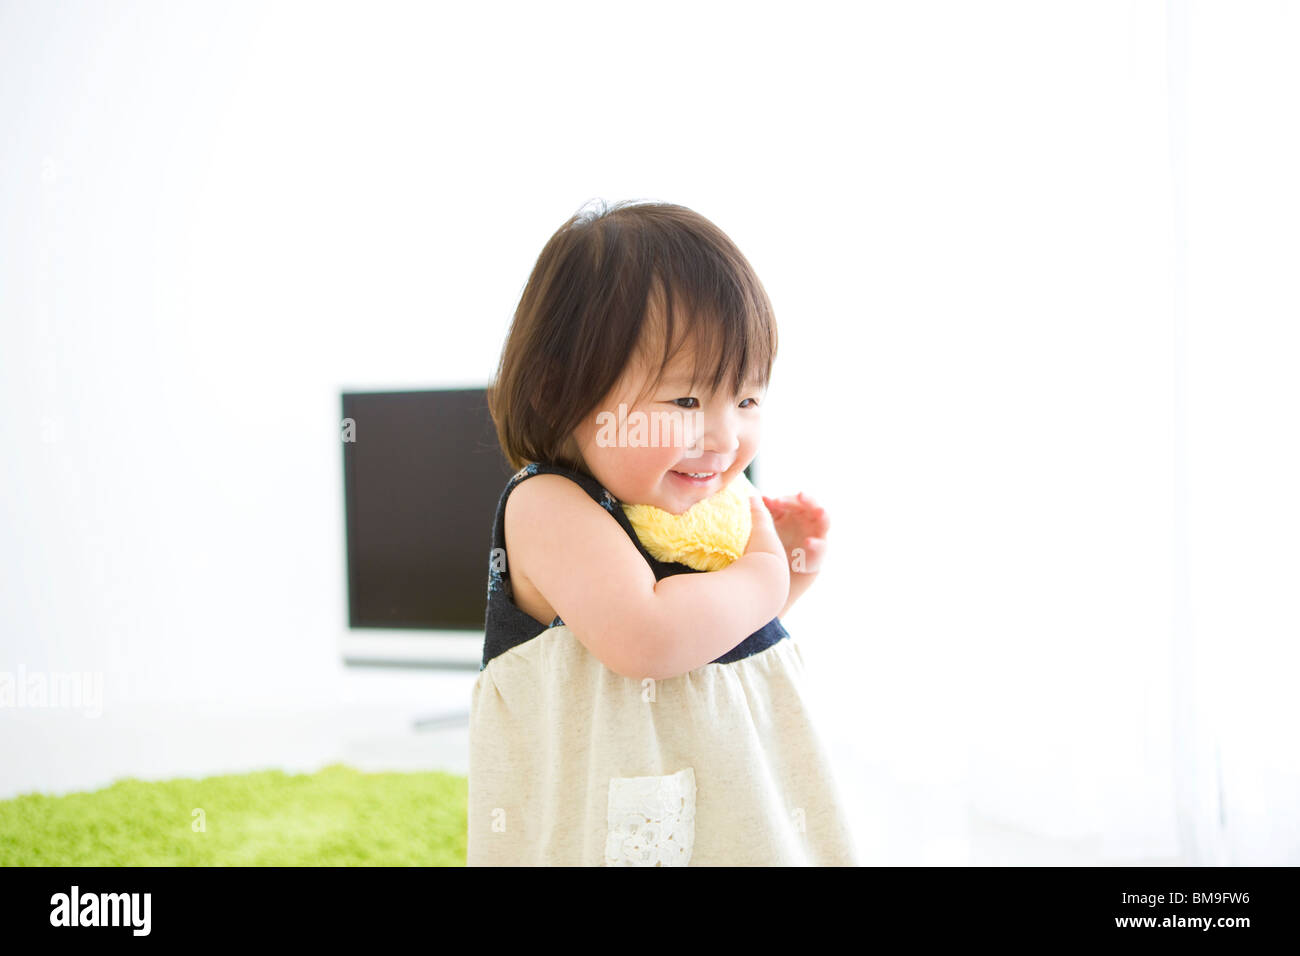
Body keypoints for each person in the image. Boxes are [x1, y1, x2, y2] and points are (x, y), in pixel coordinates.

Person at [467, 198, 858, 865]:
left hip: (736, 816)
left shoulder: (702, 515)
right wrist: (764, 570)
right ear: (559, 391)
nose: (725, 437)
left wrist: (786, 580)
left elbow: (710, 646)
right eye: (686, 400)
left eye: (748, 399)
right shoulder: (549, 505)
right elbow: (651, 639)